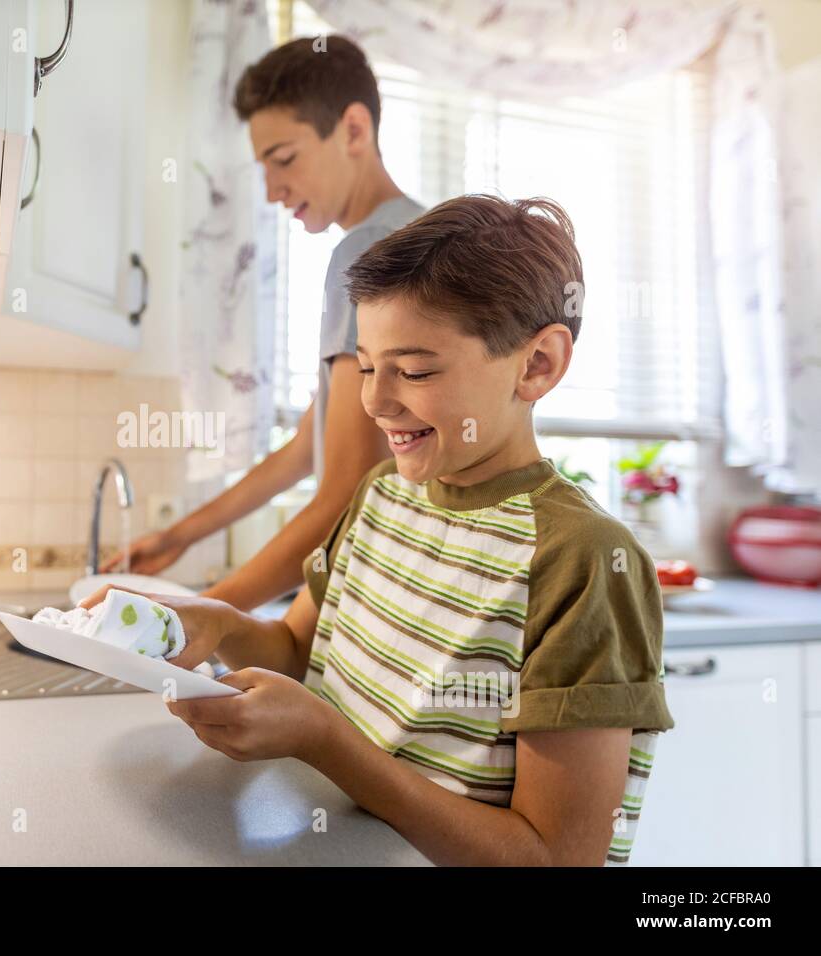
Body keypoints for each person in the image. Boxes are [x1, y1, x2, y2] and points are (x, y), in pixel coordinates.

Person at [85, 195, 675, 866]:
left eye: (415, 370)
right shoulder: (381, 498)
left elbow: (554, 858)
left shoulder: (583, 560)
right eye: (366, 366)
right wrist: (219, 623)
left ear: (538, 364)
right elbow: (298, 649)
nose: (373, 400)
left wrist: (324, 740)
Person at [102, 36, 426, 611]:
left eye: (284, 159)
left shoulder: (368, 251)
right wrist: (181, 535)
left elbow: (348, 490)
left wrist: (204, 613)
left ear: (354, 130)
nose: (273, 191)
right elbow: (308, 447)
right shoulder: (419, 233)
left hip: (385, 588)